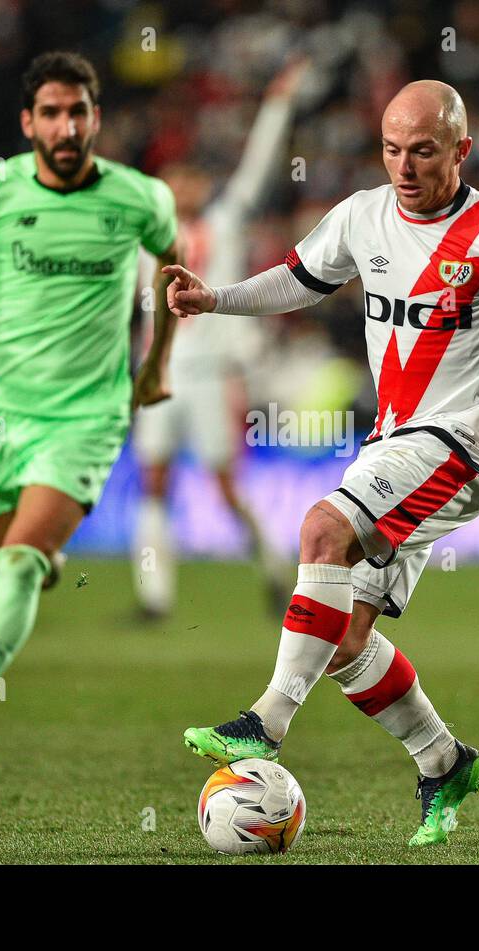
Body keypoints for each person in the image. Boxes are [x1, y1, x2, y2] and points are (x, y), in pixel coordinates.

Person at [165, 80, 479, 846]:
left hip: (459, 445)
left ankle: (266, 722)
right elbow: (299, 280)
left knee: (320, 529)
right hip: (395, 442)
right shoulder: (362, 214)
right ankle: (443, 759)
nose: (403, 167)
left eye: (423, 151)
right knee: (342, 638)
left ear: (461, 151)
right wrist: (216, 299)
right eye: (391, 149)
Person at [0, 51, 180, 774]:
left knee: (17, 568)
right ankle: (35, 563)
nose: (65, 125)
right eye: (50, 112)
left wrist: (155, 365)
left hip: (88, 416)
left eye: (77, 111)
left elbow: (173, 275)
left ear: (97, 118)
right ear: (28, 123)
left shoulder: (141, 198)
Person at [130, 60, 315, 618]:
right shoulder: (143, 238)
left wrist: (277, 104)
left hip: (211, 374)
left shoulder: (225, 222)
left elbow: (257, 169)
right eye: (173, 180)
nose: (183, 188)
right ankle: (154, 598)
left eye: (190, 179)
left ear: (203, 186)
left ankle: (274, 568)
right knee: (154, 480)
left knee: (224, 485)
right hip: (159, 376)